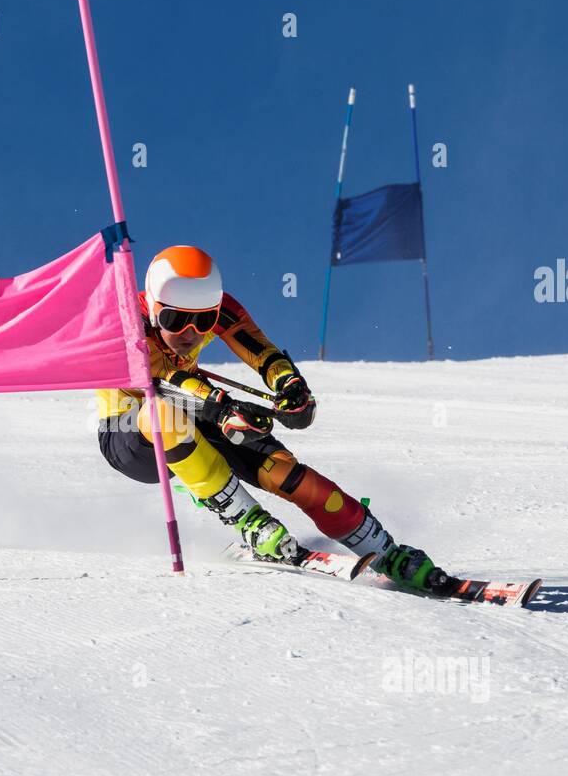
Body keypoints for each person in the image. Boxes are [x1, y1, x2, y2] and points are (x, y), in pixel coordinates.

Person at [97, 244, 443, 591]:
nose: (190, 332)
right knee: (162, 412)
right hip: (129, 432)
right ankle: (250, 522)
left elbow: (262, 352)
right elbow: (155, 381)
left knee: (287, 473)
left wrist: (291, 386)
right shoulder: (125, 321)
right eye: (175, 319)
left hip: (195, 408)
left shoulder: (221, 309)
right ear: (155, 308)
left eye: (205, 321)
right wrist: (219, 405)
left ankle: (384, 551)